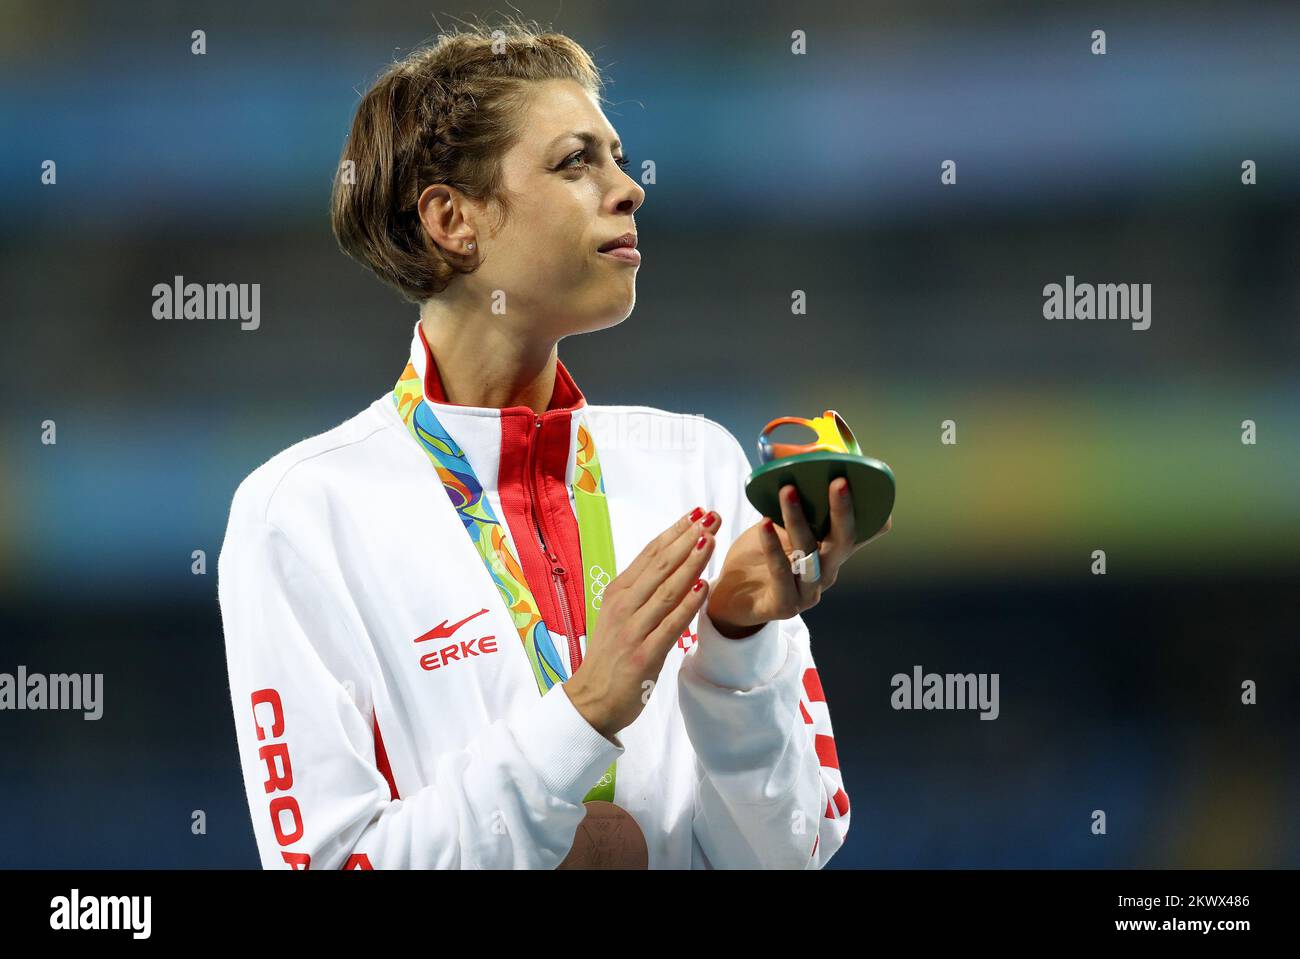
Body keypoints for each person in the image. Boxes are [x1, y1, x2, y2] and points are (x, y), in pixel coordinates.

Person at [217, 19, 887, 870]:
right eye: (577, 161)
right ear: (453, 219)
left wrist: (736, 642)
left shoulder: (697, 465)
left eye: (619, 155)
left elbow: (791, 851)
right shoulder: (303, 515)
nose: (629, 187)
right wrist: (583, 715)